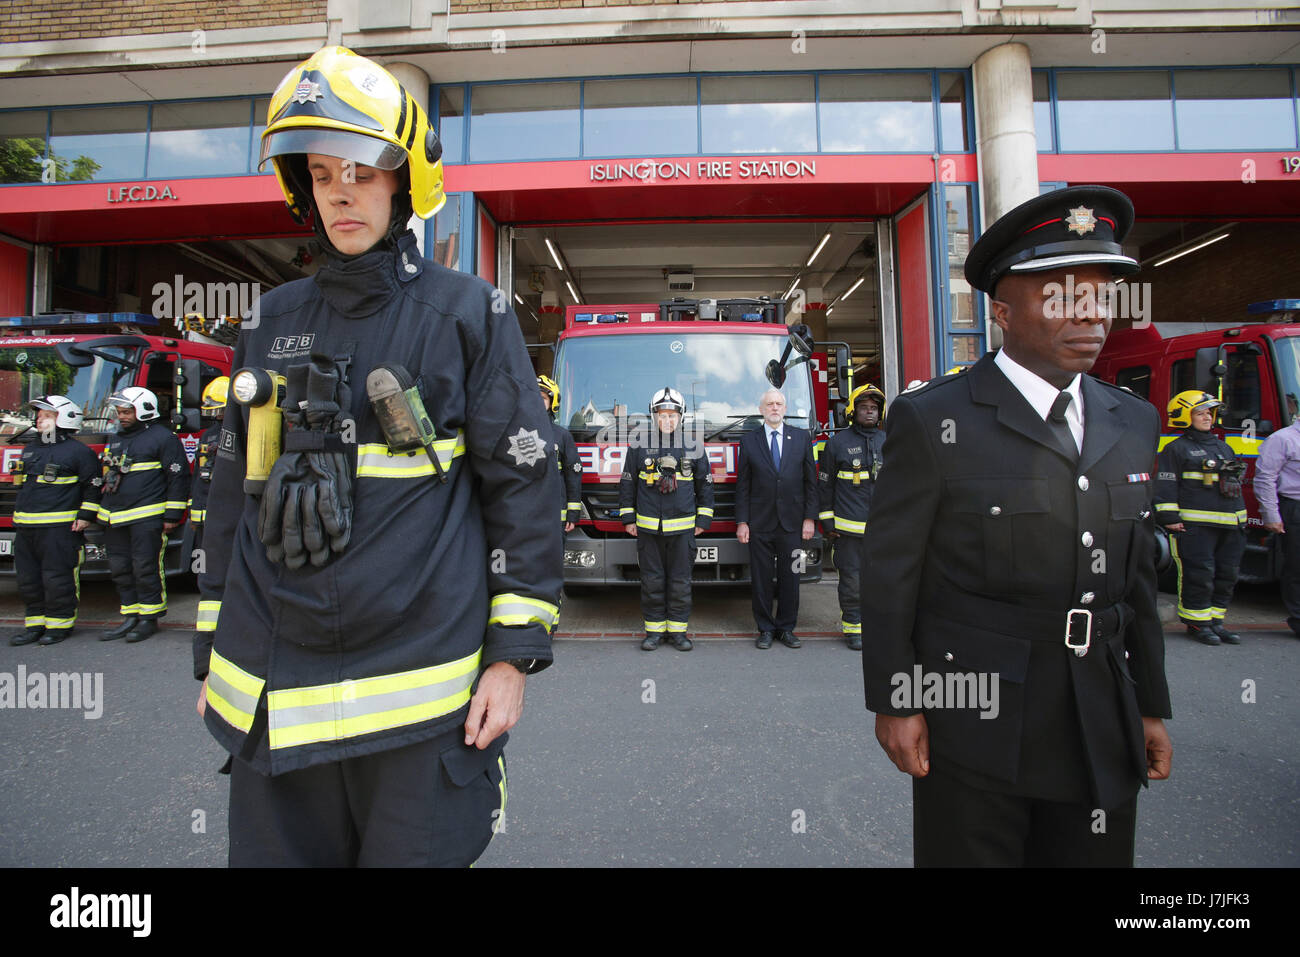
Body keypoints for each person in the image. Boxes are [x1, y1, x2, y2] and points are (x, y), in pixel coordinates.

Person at [193, 46, 562, 867]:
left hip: (417, 704)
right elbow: (231, 498)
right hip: (273, 698)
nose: (341, 192)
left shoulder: (468, 314)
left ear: (401, 182)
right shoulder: (269, 320)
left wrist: (512, 658)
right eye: (322, 174)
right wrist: (211, 650)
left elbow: (525, 487)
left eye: (360, 169)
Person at [861, 185, 1173, 867]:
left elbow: (1137, 576)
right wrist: (895, 699)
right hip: (978, 717)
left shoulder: (1134, 421)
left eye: (1101, 294)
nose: (1091, 313)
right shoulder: (937, 419)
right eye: (1063, 296)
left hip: (1101, 712)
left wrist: (1149, 704)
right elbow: (891, 571)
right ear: (1002, 311)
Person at [619, 387, 713, 651]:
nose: (667, 420)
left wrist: (703, 520)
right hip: (648, 528)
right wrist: (628, 518)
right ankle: (654, 632)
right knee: (652, 580)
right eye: (662, 415)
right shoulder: (638, 444)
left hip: (684, 529)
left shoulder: (693, 445)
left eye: (672, 415)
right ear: (654, 416)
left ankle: (679, 632)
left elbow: (705, 484)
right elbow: (627, 483)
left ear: (680, 416)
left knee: (680, 581)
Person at [97, 386, 190, 644]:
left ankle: (149, 618)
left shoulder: (163, 438)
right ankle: (130, 615)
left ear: (144, 410)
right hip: (114, 517)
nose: (122, 416)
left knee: (145, 567)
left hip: (146, 517)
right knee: (120, 569)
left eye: (127, 411)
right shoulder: (116, 438)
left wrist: (173, 514)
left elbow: (178, 476)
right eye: (119, 412)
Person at [1155, 391, 1247, 645]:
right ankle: (1197, 623)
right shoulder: (1176, 449)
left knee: (1227, 574)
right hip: (1195, 526)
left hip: (1230, 524)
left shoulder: (1223, 446)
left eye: (1209, 413)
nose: (1207, 417)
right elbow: (1165, 484)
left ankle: (1216, 622)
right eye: (1200, 413)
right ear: (1185, 416)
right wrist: (1169, 517)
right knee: (1199, 574)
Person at [7, 396, 101, 646]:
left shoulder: (80, 452)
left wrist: (85, 517)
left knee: (57, 578)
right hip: (26, 527)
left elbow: (92, 488)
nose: (39, 419)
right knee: (28, 579)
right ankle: (35, 625)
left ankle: (59, 625)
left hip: (59, 528)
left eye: (46, 415)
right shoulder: (31, 449)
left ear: (64, 418)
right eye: (38, 415)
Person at [735, 388, 818, 649]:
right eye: (769, 404)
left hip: (792, 524)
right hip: (759, 524)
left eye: (779, 404)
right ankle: (765, 630)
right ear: (761, 410)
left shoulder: (802, 438)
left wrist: (809, 519)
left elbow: (811, 483)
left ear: (785, 408)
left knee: (791, 578)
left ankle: (786, 628)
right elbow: (743, 486)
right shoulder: (750, 441)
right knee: (761, 579)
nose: (774, 408)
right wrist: (742, 521)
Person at [818, 383, 886, 651]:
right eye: (864, 408)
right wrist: (828, 523)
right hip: (847, 533)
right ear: (852, 411)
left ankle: (878, 626)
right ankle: (853, 629)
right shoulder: (837, 444)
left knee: (882, 581)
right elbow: (825, 486)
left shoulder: (889, 441)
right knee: (852, 583)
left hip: (883, 531)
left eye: (873, 409)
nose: (869, 413)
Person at [1253, 395, 1300, 638]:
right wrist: (1271, 515)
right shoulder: (1282, 439)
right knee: (1297, 567)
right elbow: (1265, 478)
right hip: (1295, 507)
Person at [187, 376, 229, 550]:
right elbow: (198, 474)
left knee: (224, 560)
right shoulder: (207, 435)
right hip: (202, 516)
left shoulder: (245, 432)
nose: (217, 415)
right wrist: (193, 510)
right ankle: (201, 578)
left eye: (220, 410)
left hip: (225, 516)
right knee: (201, 561)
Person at [539, 374, 581, 533]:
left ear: (552, 403)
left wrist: (573, 514)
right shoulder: (519, 433)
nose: (537, 402)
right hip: (526, 516)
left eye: (543, 398)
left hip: (555, 515)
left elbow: (573, 476)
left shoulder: (562, 436)